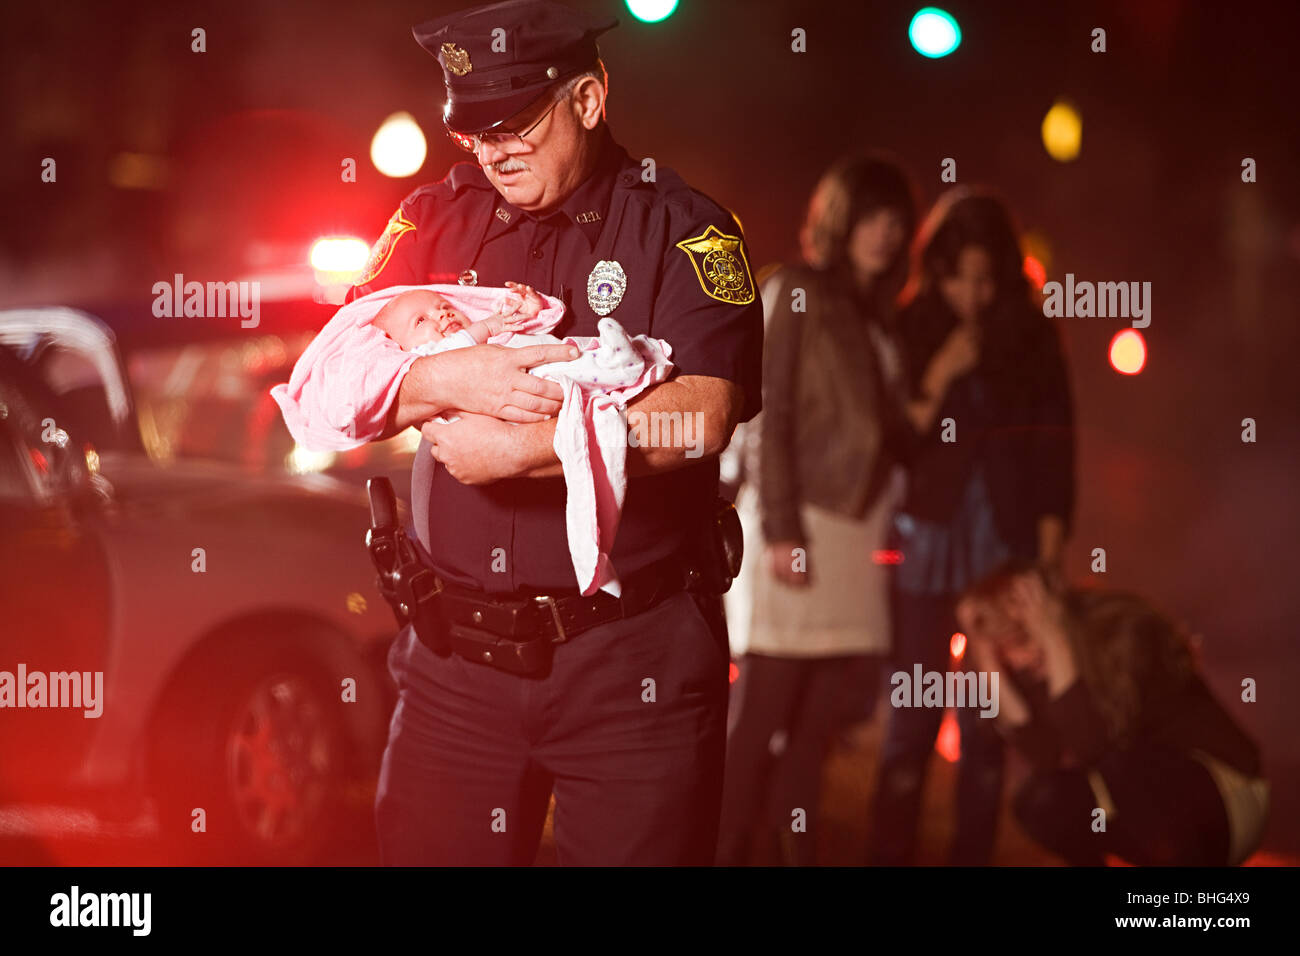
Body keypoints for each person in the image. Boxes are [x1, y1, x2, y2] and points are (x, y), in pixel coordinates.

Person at [296, 0, 763, 865]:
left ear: (588, 99)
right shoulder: (432, 216)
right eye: (474, 131)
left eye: (517, 122)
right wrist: (446, 378)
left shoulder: (683, 225)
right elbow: (334, 364)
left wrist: (535, 447)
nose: (495, 149)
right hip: (452, 669)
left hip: (630, 671)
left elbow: (707, 413)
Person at [717, 154, 916, 865]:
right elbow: (770, 416)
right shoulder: (796, 290)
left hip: (856, 536)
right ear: (840, 219)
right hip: (800, 527)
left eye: (897, 221)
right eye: (872, 218)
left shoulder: (877, 317)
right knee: (760, 718)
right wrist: (781, 531)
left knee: (815, 736)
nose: (886, 234)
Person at [867, 189, 1075, 865]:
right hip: (927, 543)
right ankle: (888, 854)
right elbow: (895, 439)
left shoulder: (1033, 339)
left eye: (987, 279)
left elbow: (1055, 448)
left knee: (987, 725)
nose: (974, 294)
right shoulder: (914, 327)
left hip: (1003, 547)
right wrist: (944, 370)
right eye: (960, 277)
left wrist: (1044, 560)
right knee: (913, 716)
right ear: (940, 270)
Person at [956, 561, 1269, 866]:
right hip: (1155, 806)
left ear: (1048, 613)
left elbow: (1095, 745)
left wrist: (1053, 641)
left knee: (1118, 763)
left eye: (1021, 640)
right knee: (1040, 801)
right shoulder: (1036, 668)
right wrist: (987, 661)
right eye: (1004, 650)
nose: (1018, 661)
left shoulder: (1123, 628)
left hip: (1229, 797)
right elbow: (1046, 758)